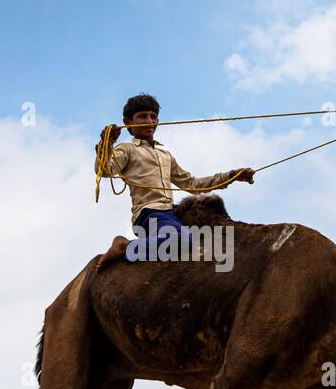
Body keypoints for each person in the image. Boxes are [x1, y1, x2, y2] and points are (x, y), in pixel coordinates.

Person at [97, 94, 254, 267]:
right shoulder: (126, 149)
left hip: (170, 211)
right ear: (128, 122)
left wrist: (231, 176)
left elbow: (192, 184)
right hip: (149, 213)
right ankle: (126, 247)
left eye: (153, 116)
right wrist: (107, 144)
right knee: (182, 240)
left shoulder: (165, 155)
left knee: (214, 222)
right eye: (142, 116)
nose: (149, 121)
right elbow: (105, 171)